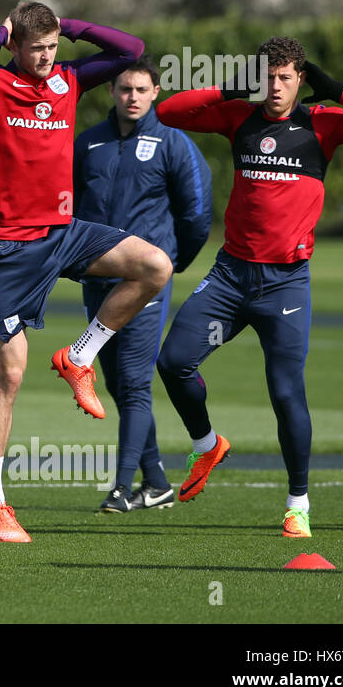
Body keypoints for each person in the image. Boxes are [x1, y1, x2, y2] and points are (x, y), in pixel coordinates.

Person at [0, 1, 172, 543]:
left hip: (62, 231)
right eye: (34, 47)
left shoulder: (69, 78)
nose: (45, 57)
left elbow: (131, 50)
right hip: (3, 247)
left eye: (51, 47)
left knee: (154, 266)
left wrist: (73, 27)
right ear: (15, 45)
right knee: (8, 377)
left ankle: (81, 354)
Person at [155, 37, 343, 537]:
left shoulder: (323, 124)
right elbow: (168, 111)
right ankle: (208, 447)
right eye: (268, 77)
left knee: (286, 394)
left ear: (300, 79)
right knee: (172, 362)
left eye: (286, 78)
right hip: (229, 277)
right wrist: (231, 86)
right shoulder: (239, 118)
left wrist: (338, 89)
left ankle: (298, 503)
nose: (275, 87)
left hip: (285, 286)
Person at [73, 56, 212, 512]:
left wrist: (171, 265)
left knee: (134, 385)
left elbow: (196, 215)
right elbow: (68, 207)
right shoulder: (87, 142)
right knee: (116, 384)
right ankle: (156, 482)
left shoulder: (173, 143)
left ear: (156, 93)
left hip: (146, 285)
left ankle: (121, 488)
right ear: (112, 91)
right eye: (124, 89)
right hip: (96, 280)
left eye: (141, 90)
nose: (132, 97)